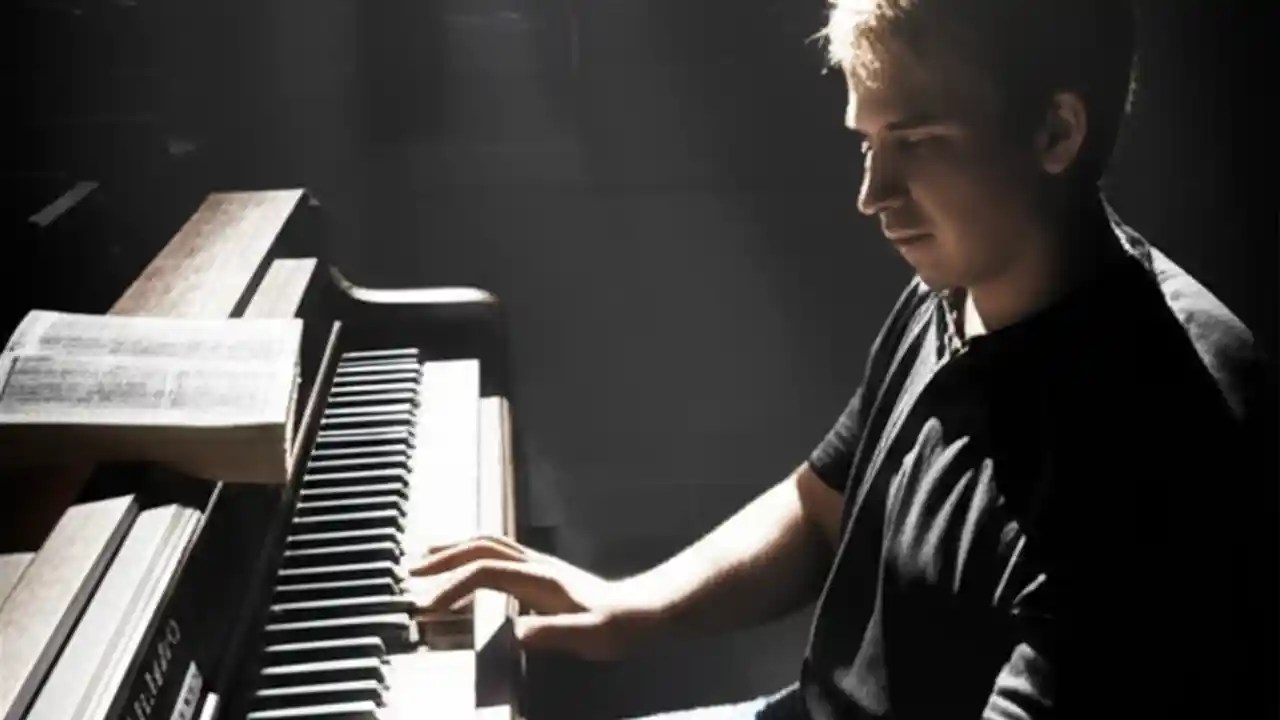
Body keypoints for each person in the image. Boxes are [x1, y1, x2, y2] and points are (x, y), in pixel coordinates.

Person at [407, 1, 1274, 717]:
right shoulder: (967, 279)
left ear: (1056, 130)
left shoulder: (1160, 464)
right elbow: (820, 506)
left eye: (917, 140)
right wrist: (628, 607)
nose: (873, 195)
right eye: (867, 142)